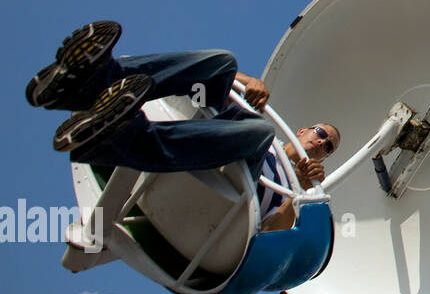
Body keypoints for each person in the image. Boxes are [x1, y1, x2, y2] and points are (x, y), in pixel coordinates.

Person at [25, 21, 340, 233]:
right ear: (301, 131)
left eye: (328, 148)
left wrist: (298, 193)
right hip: (227, 139)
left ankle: (120, 138)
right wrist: (250, 82)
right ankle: (92, 83)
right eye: (322, 134)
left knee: (260, 132)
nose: (322, 144)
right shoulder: (260, 129)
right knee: (223, 64)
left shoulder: (297, 187)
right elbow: (229, 85)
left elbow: (270, 230)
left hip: (235, 194)